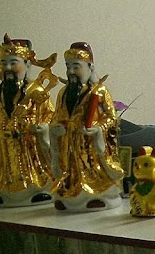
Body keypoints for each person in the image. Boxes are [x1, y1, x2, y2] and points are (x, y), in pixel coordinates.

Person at [44, 42, 124, 211]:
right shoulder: (63, 92)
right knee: (69, 173)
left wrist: (98, 129)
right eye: (68, 67)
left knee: (92, 171)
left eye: (76, 67)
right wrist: (55, 128)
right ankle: (70, 195)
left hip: (90, 146)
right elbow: (57, 116)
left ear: (90, 67)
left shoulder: (99, 92)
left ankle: (98, 195)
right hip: (69, 144)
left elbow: (111, 118)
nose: (71, 72)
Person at [0, 35, 58, 206]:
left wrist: (43, 128)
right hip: (4, 147)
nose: (8, 68)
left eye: (13, 63)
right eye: (4, 63)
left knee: (34, 175)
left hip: (31, 147)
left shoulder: (37, 91)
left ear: (27, 65)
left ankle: (37, 188)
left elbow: (51, 116)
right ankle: (2, 190)